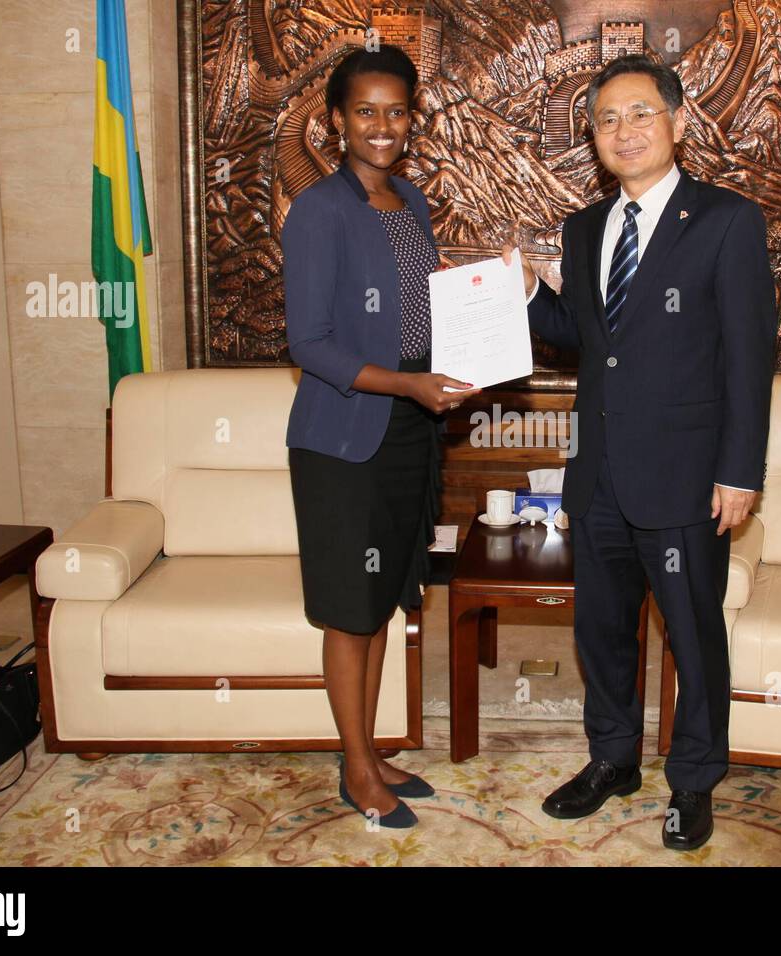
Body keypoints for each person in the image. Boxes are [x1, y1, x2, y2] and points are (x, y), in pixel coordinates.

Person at [503, 55, 778, 849]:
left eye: (640, 114)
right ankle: (612, 759)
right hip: (598, 477)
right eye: (607, 120)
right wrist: (527, 296)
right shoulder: (585, 228)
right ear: (593, 137)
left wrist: (739, 471)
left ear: (679, 122)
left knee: (693, 635)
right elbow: (581, 342)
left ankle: (693, 780)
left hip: (689, 480)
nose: (624, 131)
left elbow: (748, 357)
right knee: (601, 631)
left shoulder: (727, 221)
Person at [280, 45, 479, 829]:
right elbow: (312, 344)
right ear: (336, 121)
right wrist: (407, 383)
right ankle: (357, 767)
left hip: (408, 432)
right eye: (365, 111)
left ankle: (365, 749)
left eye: (397, 110)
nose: (383, 126)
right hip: (341, 438)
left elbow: (416, 311)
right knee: (348, 608)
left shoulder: (414, 202)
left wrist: (471, 331)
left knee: (386, 598)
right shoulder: (319, 212)